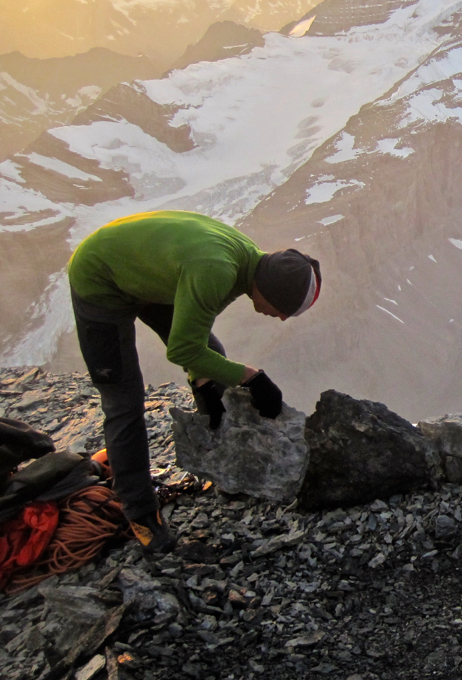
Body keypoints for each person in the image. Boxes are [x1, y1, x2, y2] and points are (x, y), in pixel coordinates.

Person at [67, 211, 321, 553]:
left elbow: (196, 342)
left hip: (145, 275)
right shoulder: (216, 269)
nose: (280, 318)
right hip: (100, 279)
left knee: (211, 355)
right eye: (282, 309)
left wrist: (201, 382)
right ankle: (139, 511)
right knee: (123, 399)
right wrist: (252, 377)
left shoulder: (247, 263)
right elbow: (182, 348)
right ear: (271, 290)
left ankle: (219, 458)